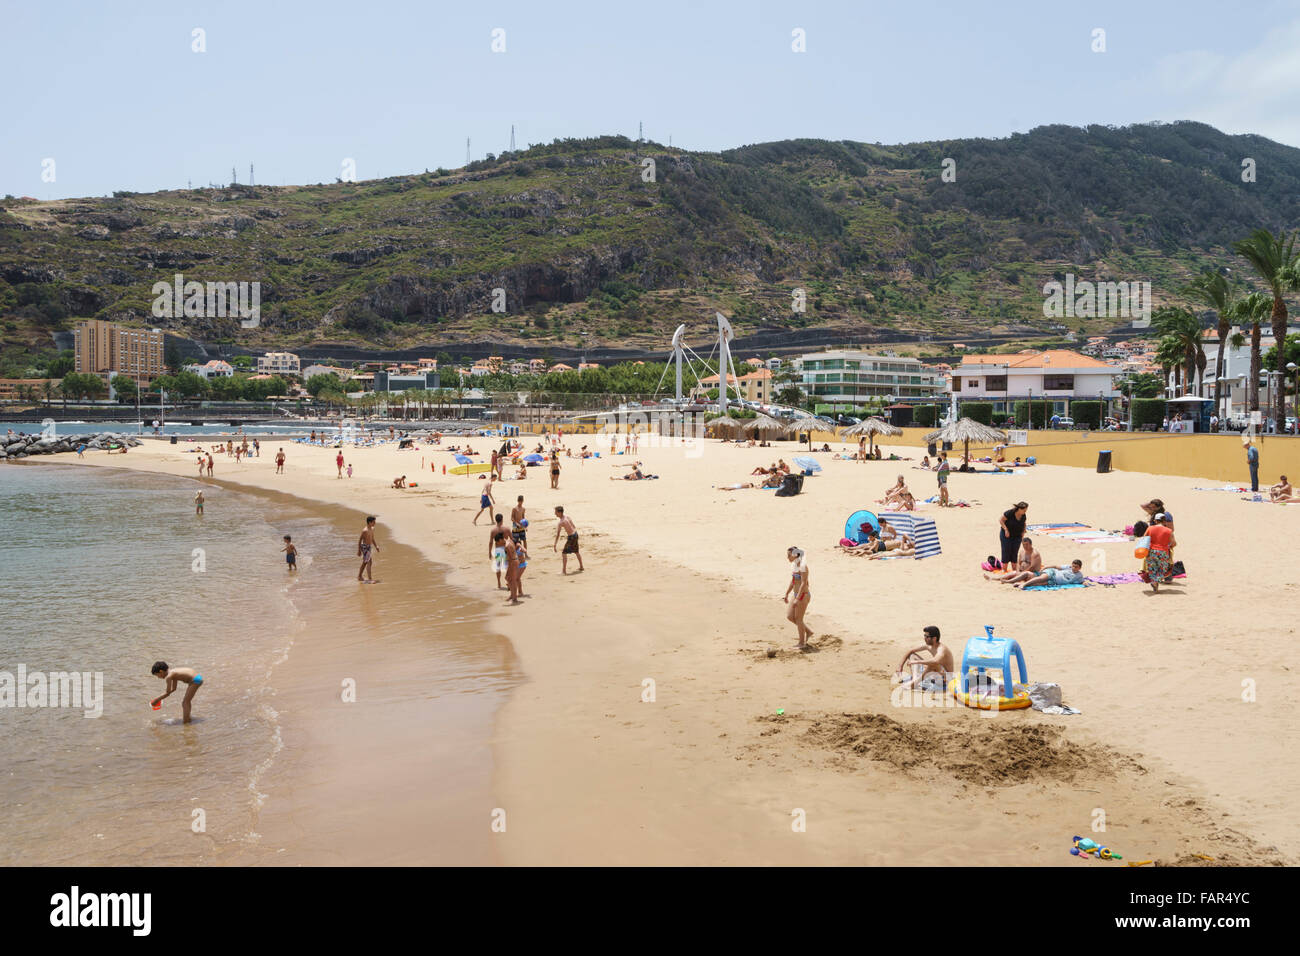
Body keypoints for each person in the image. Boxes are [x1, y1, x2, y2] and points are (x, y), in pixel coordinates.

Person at [783, 546, 812, 648]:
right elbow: (793, 581)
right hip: (796, 594)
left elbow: (804, 583)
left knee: (799, 619)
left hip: (803, 595)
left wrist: (797, 598)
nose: (787, 557)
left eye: (789, 555)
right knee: (790, 617)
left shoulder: (803, 566)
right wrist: (787, 593)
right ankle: (808, 632)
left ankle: (802, 643)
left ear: (795, 555)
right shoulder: (794, 565)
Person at [1141, 513, 1177, 593]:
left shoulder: (1150, 528)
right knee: (1162, 569)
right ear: (1164, 521)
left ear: (1155, 521)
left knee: (1152, 568)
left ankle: (1154, 582)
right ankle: (1156, 582)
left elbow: (1144, 539)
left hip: (1151, 552)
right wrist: (1169, 546)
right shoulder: (1168, 530)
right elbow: (1173, 543)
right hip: (1163, 552)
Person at [1013, 559, 1085, 589]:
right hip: (1053, 573)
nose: (1074, 568)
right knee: (1041, 578)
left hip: (1055, 582)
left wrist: (1085, 583)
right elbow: (1056, 566)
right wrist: (1046, 567)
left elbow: (1082, 581)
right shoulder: (1068, 567)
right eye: (1073, 566)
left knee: (1039, 584)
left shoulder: (1079, 575)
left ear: (1080, 568)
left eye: (1076, 567)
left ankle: (1019, 584)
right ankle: (1024, 584)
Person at [554, 506, 584, 573]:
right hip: (575, 534)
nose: (555, 513)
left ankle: (564, 571)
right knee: (576, 551)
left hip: (571, 537)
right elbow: (573, 526)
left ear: (559, 512)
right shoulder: (567, 517)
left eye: (556, 512)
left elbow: (558, 534)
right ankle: (581, 566)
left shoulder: (561, 522)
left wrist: (555, 544)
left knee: (564, 553)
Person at [999, 501, 1029, 567]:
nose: (1025, 511)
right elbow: (1001, 520)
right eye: (1024, 510)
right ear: (1019, 509)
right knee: (1006, 551)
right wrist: (1006, 530)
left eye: (1026, 510)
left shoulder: (1023, 515)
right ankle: (1004, 570)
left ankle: (1014, 570)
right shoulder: (1010, 513)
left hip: (1017, 536)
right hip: (1006, 535)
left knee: (1014, 553)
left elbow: (1024, 523)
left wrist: (1023, 532)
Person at [489, 514, 509, 589]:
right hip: (506, 549)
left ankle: (499, 583)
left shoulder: (493, 530)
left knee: (498, 566)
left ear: (496, 520)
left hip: (498, 550)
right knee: (507, 566)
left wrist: (489, 553)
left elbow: (490, 542)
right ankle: (507, 581)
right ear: (502, 519)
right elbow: (512, 539)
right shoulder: (506, 529)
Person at [357, 516, 379, 583]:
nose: (375, 523)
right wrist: (359, 550)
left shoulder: (372, 529)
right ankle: (369, 579)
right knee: (369, 562)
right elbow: (360, 540)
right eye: (373, 522)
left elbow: (372, 538)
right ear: (369, 522)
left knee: (365, 562)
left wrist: (376, 546)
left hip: (369, 547)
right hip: (365, 547)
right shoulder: (365, 530)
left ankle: (359, 576)